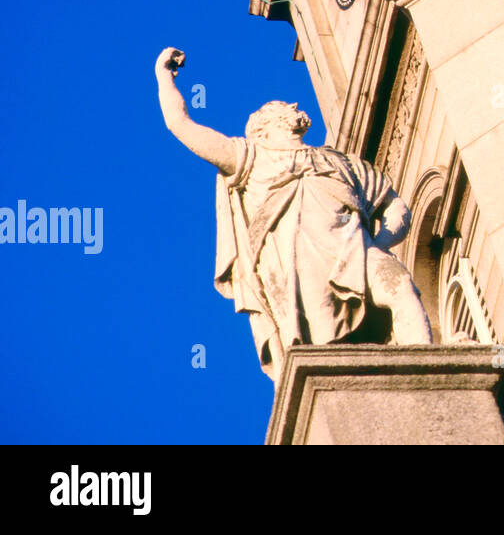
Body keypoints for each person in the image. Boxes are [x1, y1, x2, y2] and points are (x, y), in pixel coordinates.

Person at [155, 46, 432, 381]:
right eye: (285, 107)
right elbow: (180, 124)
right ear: (265, 126)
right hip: (299, 266)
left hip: (355, 250)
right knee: (325, 350)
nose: (297, 106)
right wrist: (164, 76)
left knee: (401, 286)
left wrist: (377, 242)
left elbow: (396, 207)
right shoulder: (249, 156)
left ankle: (430, 379)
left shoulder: (341, 161)